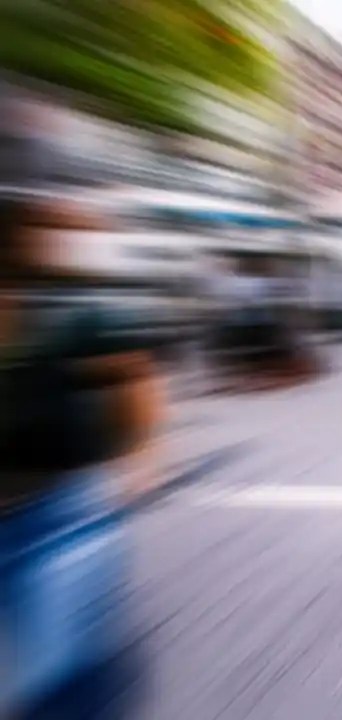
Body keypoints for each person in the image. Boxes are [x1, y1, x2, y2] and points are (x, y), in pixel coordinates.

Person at [0, 197, 163, 718]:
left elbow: (133, 379)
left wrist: (140, 461)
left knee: (61, 670)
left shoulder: (77, 312)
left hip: (61, 511)